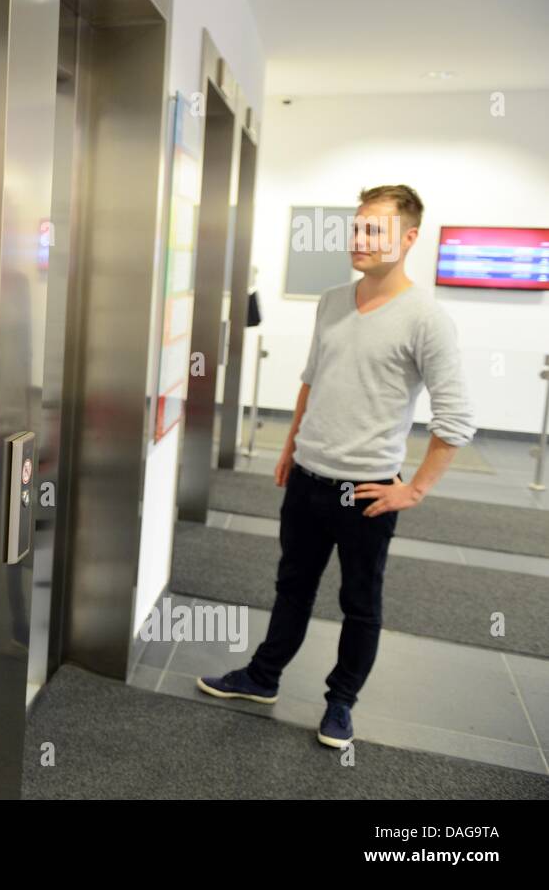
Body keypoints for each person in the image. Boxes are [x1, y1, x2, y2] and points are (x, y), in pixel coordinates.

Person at [198, 185, 476, 748]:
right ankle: (262, 677)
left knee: (360, 604)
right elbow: (311, 380)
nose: (359, 239)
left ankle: (341, 703)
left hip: (366, 491)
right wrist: (289, 446)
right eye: (356, 227)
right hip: (306, 479)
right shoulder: (332, 301)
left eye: (374, 229)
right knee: (292, 587)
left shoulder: (426, 319)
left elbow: (457, 419)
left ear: (410, 238)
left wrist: (413, 490)